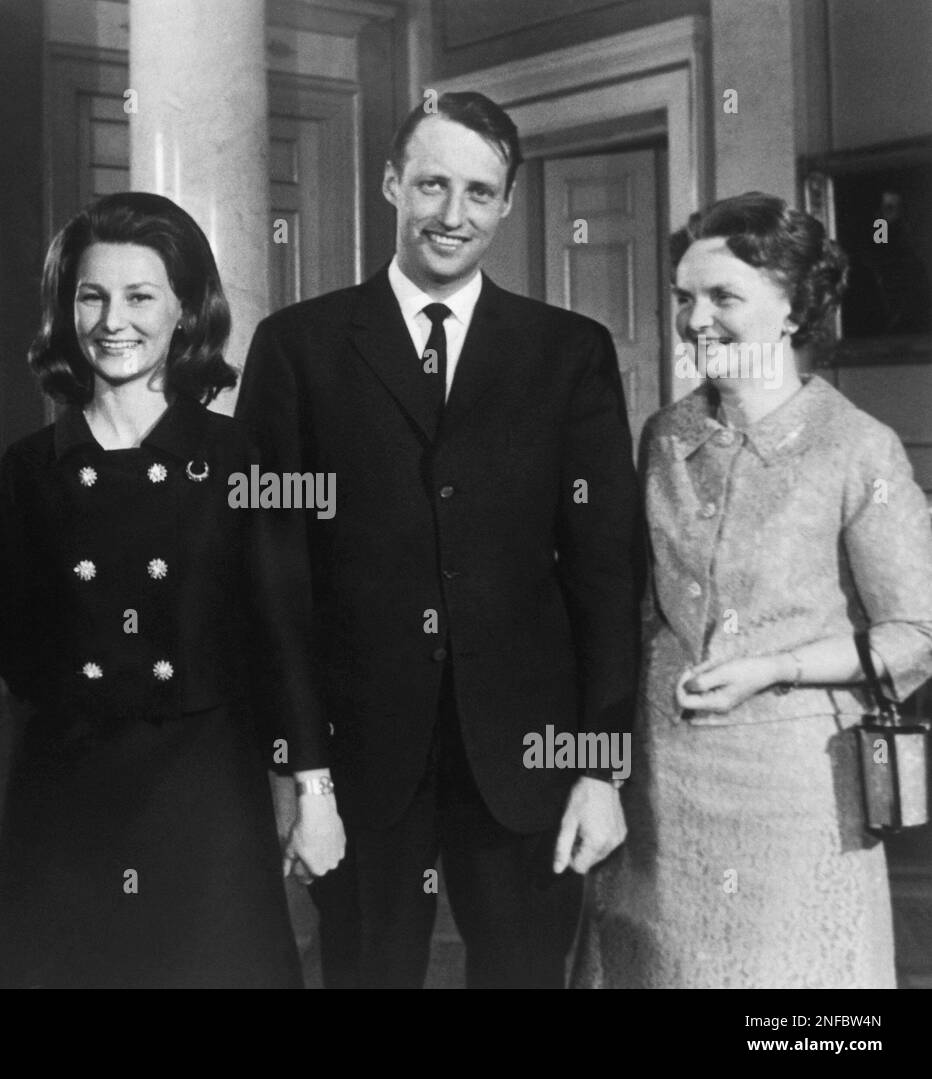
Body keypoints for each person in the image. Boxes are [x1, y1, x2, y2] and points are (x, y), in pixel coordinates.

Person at [237, 92, 643, 989]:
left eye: (478, 191)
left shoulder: (568, 351)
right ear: (392, 183)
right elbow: (275, 577)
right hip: (359, 757)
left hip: (530, 758)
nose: (451, 215)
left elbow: (606, 576)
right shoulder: (297, 348)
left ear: (506, 202)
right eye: (430, 184)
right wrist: (305, 775)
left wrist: (600, 766)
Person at [0, 191, 344, 988]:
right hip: (66, 796)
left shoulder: (244, 457)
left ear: (185, 311)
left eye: (141, 296)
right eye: (92, 295)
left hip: (205, 793)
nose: (115, 319)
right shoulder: (26, 468)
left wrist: (312, 788)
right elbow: (11, 643)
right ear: (65, 308)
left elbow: (284, 633)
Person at [573, 192, 932, 989]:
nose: (696, 319)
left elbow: (919, 629)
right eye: (683, 298)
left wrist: (776, 667)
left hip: (797, 792)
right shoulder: (665, 436)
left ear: (795, 310)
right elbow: (635, 612)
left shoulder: (855, 448)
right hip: (663, 788)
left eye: (723, 297)